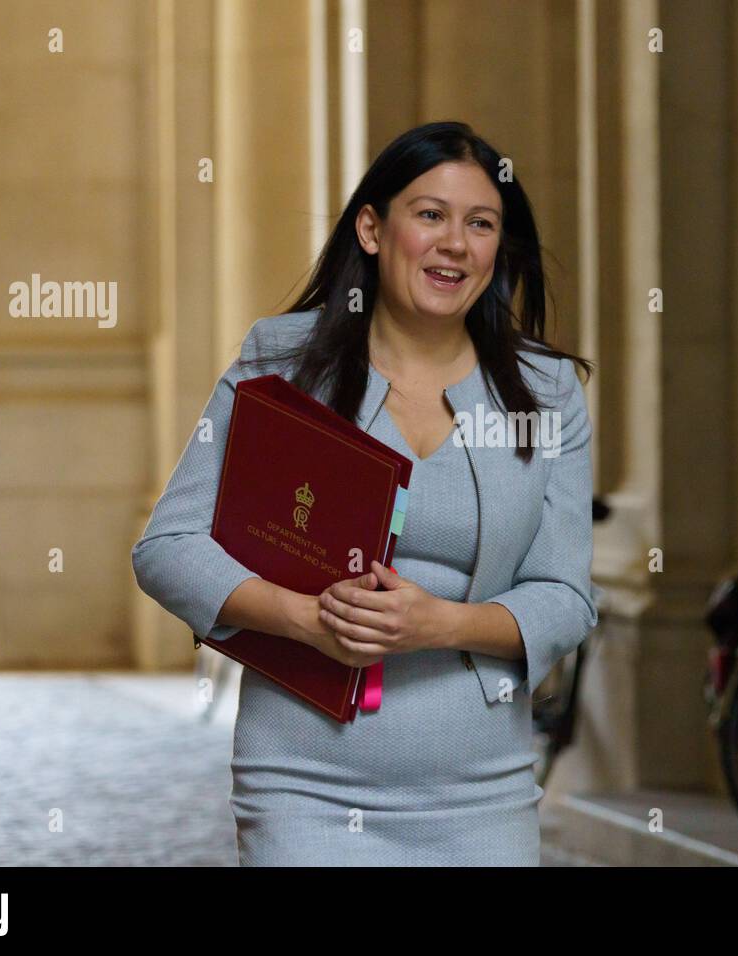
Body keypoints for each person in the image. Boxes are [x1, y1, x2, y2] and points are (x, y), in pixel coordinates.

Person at [131, 121, 598, 865]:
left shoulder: (547, 394)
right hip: (303, 785)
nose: (455, 243)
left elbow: (565, 596)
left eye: (481, 224)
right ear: (374, 229)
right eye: (430, 214)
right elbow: (168, 549)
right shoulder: (280, 362)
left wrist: (438, 624)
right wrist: (302, 618)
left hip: (483, 796)